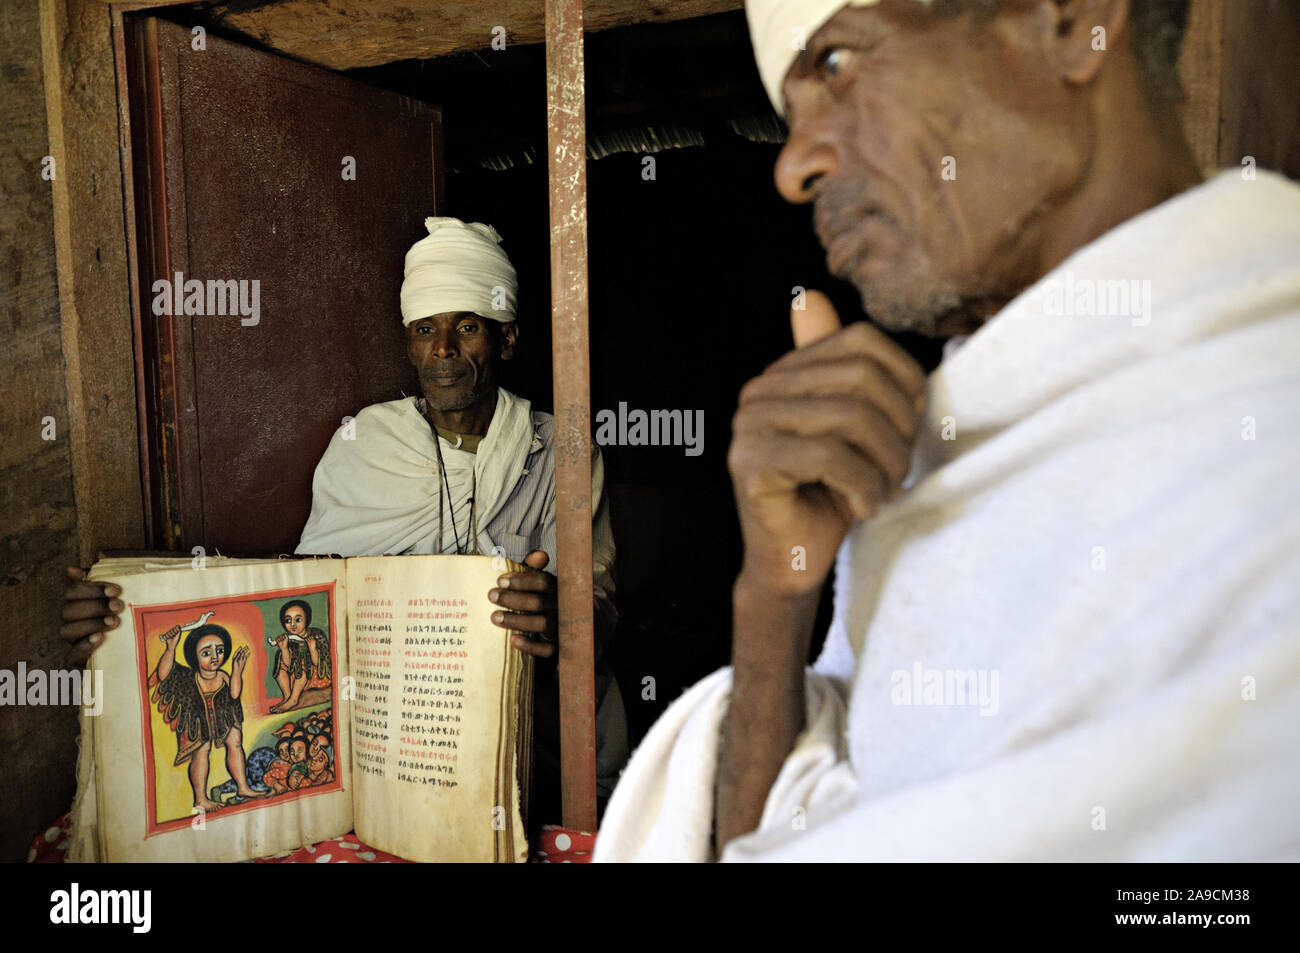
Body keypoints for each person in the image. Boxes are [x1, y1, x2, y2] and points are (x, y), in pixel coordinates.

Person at [594, 0, 1300, 861]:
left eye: (839, 65)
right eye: (791, 109)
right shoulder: (948, 450)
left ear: (1073, 22)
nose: (793, 166)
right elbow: (799, 822)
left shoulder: (1269, 431)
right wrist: (777, 595)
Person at [62, 216, 627, 817]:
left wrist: (561, 611)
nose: (444, 350)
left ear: (506, 339)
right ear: (409, 342)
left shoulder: (562, 453)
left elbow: (603, 611)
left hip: (534, 749)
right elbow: (305, 606)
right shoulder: (365, 443)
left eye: (467, 327)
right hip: (393, 751)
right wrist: (122, 621)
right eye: (425, 330)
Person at [149, 622, 265, 812]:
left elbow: (235, 695)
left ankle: (243, 788)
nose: (214, 657)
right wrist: (171, 647)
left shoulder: (223, 675)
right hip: (197, 722)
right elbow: (164, 674)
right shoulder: (188, 677)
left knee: (235, 741)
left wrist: (237, 670)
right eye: (206, 653)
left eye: (219, 651)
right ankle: (200, 799)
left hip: (222, 718)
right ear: (195, 656)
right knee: (201, 751)